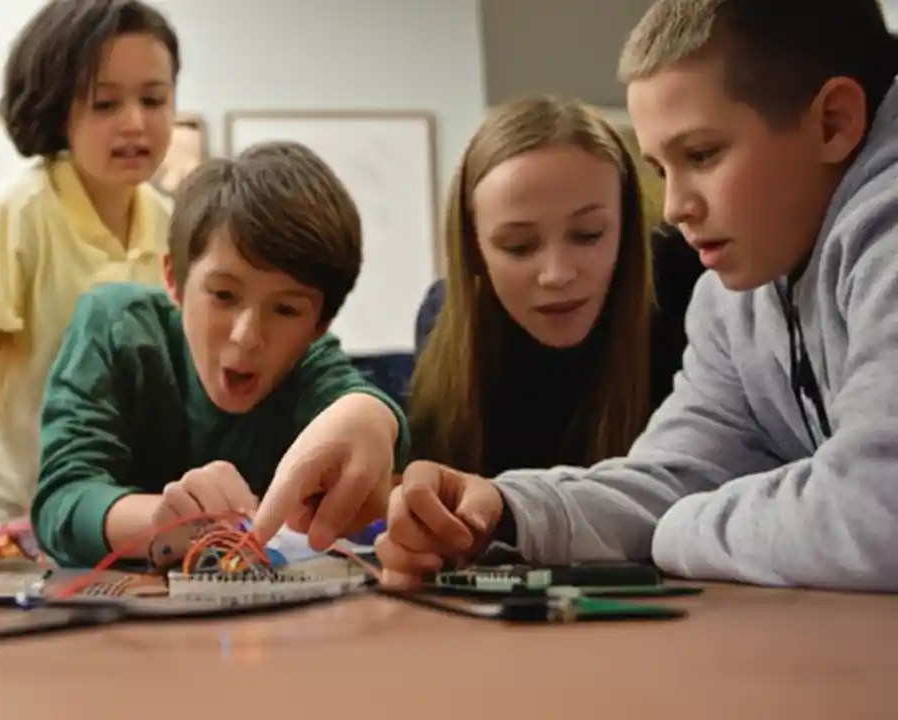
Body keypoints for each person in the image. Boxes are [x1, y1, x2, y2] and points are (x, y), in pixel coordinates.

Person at [377, 0, 898, 592]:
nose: (675, 209)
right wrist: (506, 509)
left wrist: (678, 529)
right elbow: (675, 475)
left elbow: (879, 511)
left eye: (701, 155)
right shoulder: (735, 295)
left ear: (833, 121)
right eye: (661, 169)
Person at [32, 141, 409, 567]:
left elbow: (357, 407)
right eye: (224, 295)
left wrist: (376, 415)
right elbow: (62, 498)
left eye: (286, 309)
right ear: (174, 279)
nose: (247, 336)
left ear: (319, 323)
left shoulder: (310, 367)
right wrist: (164, 521)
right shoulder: (115, 327)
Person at [0, 0, 179, 540]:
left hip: (130, 524)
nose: (135, 122)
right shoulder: (19, 213)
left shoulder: (175, 224)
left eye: (154, 99)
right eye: (106, 102)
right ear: (57, 107)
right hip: (20, 526)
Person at [408, 96, 704, 478]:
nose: (557, 274)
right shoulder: (444, 318)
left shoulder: (688, 289)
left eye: (587, 235)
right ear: (474, 249)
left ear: (628, 231)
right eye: (519, 246)